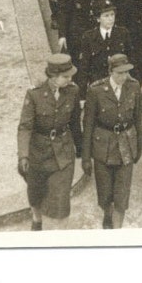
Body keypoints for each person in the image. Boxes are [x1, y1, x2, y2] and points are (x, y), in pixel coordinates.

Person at [17, 52, 83, 231]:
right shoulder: (34, 94)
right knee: (35, 193)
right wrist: (23, 155)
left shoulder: (73, 91)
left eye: (70, 76)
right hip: (38, 152)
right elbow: (25, 127)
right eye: (65, 76)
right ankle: (37, 219)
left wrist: (83, 151)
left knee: (61, 202)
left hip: (63, 153)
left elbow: (75, 123)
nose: (70, 79)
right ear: (53, 77)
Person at [82, 52, 142, 229]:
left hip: (126, 145)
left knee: (122, 194)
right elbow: (88, 126)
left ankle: (117, 231)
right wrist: (86, 158)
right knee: (104, 191)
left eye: (126, 72)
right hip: (103, 146)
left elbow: (137, 119)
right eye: (119, 73)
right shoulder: (95, 91)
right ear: (110, 71)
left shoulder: (133, 87)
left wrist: (139, 145)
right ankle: (107, 212)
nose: (123, 76)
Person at [75, 0, 133, 101]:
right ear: (98, 19)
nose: (110, 19)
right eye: (106, 16)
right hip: (98, 86)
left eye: (112, 15)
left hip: (119, 84)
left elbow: (131, 59)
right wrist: (82, 96)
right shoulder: (88, 37)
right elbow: (84, 67)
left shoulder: (123, 33)